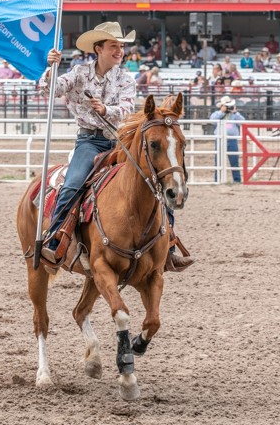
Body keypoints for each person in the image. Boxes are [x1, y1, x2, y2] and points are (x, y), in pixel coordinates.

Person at [39, 22, 193, 270]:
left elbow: (126, 109)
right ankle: (57, 240)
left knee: (155, 181)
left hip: (120, 141)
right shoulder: (78, 73)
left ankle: (169, 247)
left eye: (121, 46)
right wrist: (51, 68)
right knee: (73, 183)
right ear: (98, 49)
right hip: (90, 141)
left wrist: (105, 109)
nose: (119, 51)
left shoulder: (125, 79)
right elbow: (50, 89)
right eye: (114, 46)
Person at [210, 95, 244, 183]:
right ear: (222, 106)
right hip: (220, 139)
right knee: (218, 161)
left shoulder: (234, 115)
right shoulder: (216, 114)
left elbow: (243, 122)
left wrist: (235, 112)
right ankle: (217, 180)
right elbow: (212, 121)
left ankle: (237, 180)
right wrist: (221, 112)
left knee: (234, 161)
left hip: (232, 139)